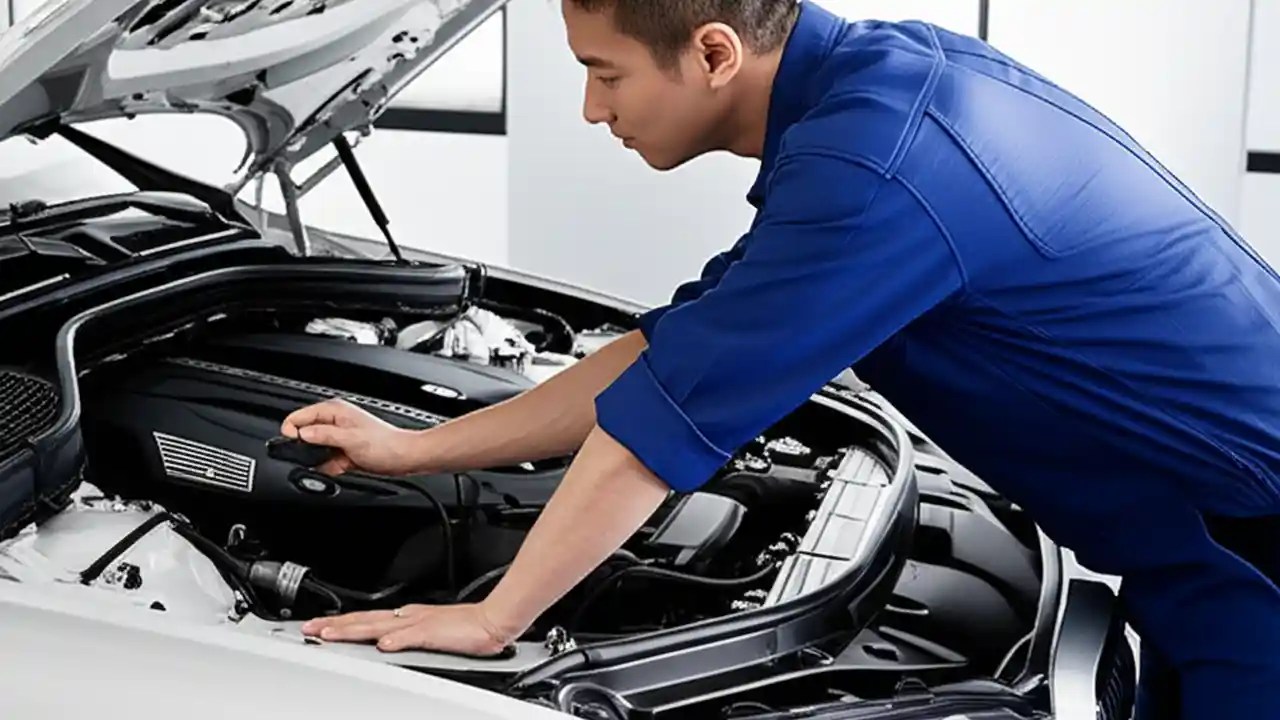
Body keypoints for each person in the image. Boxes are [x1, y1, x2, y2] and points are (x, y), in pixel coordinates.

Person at [285, 2, 1280, 718]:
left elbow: (655, 428)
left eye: (604, 70)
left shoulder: (876, 168)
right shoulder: (880, 88)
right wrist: (418, 450)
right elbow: (670, 349)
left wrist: (493, 621)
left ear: (712, 52)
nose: (592, 108)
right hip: (1205, 553)